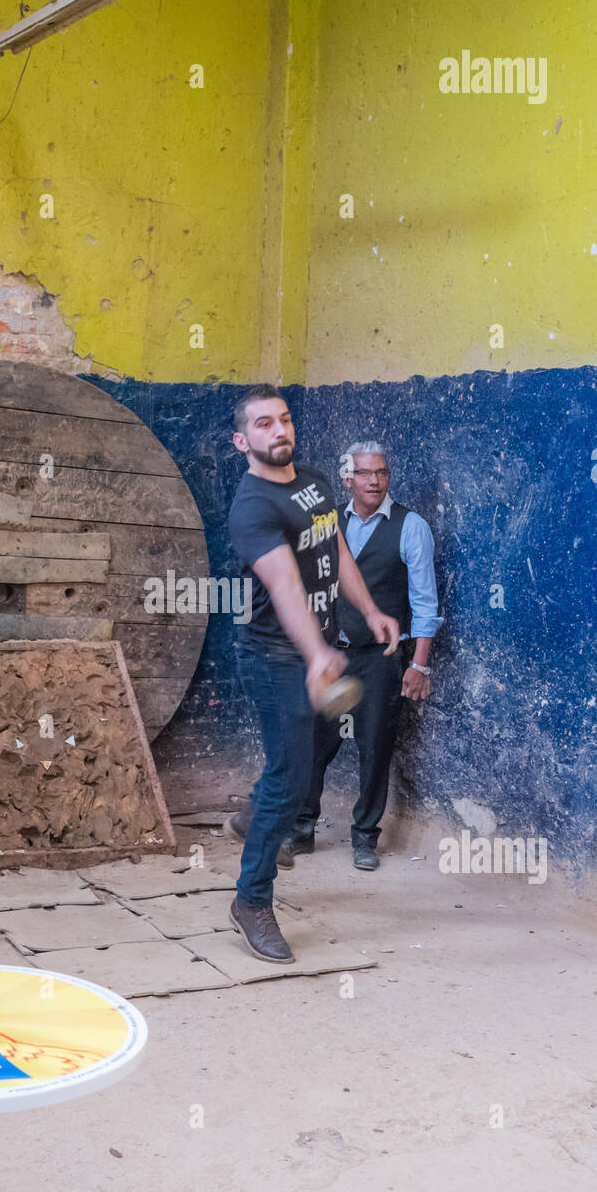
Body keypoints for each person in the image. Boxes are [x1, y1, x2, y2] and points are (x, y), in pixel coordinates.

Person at [226, 388, 399, 963]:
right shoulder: (251, 506)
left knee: (292, 772)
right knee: (291, 782)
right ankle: (251, 901)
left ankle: (254, 813)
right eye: (263, 424)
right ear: (242, 440)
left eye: (284, 419)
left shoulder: (318, 482)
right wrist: (316, 653)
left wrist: (370, 610)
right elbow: (284, 585)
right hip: (277, 656)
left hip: (316, 650)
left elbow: (338, 555)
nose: (278, 430)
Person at [289, 441, 443, 869]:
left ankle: (364, 837)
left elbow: (425, 603)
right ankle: (301, 828)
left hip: (379, 657)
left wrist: (419, 663)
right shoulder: (326, 523)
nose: (374, 481)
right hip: (329, 655)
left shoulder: (411, 527)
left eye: (382, 473)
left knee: (374, 747)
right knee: (312, 743)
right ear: (347, 479)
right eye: (364, 473)